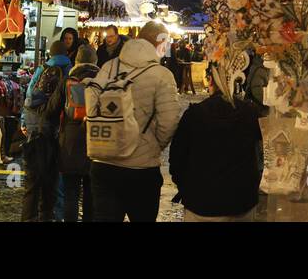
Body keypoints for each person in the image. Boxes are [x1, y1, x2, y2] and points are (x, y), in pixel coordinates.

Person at [87, 21, 182, 222]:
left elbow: (92, 105)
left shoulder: (109, 66)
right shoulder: (162, 75)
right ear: (160, 41)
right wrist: (151, 147)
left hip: (103, 163)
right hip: (141, 170)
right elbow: (169, 122)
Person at [169, 61, 263, 221]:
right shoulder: (251, 114)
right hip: (241, 202)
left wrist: (186, 189)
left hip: (201, 203)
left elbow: (177, 159)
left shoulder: (194, 115)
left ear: (211, 80)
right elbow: (261, 156)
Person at [20, 40, 70, 221]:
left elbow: (28, 97)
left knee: (32, 184)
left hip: (34, 132)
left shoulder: (42, 70)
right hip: (54, 134)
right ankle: (51, 217)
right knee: (54, 185)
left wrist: (24, 121)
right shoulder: (68, 71)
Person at [58, 44, 99, 221]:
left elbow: (52, 109)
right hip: (96, 142)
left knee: (70, 194)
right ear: (95, 61)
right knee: (91, 194)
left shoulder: (68, 80)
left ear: (76, 61)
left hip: (70, 144)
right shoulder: (102, 81)